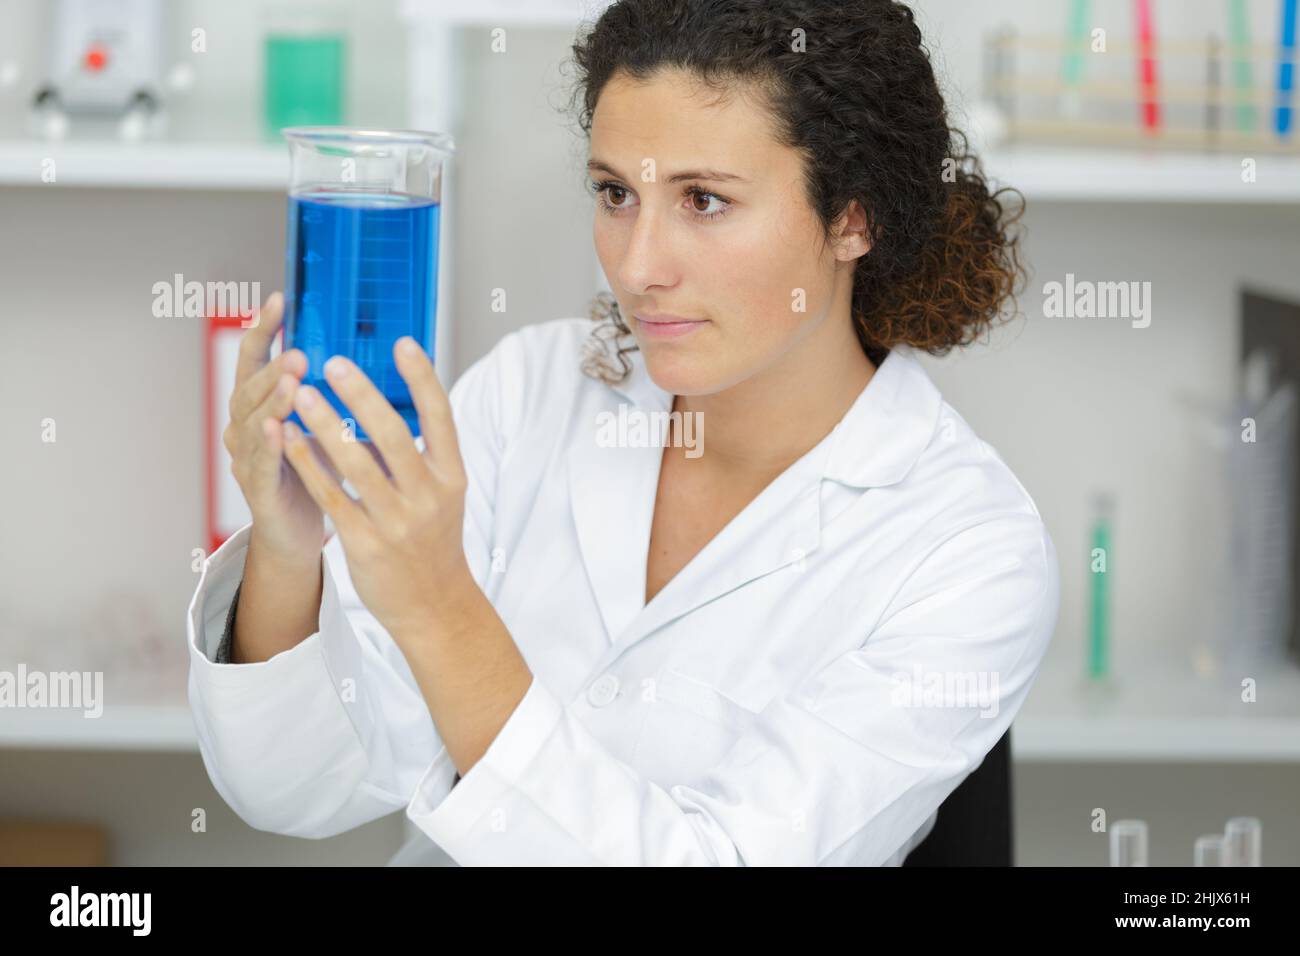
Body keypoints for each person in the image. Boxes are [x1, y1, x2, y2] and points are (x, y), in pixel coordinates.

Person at [187, 0, 1059, 866]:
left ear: (854, 217)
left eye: (705, 200)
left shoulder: (967, 548)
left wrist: (441, 607)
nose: (638, 267)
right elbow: (296, 787)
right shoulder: (532, 393)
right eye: (615, 193)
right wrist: (289, 549)